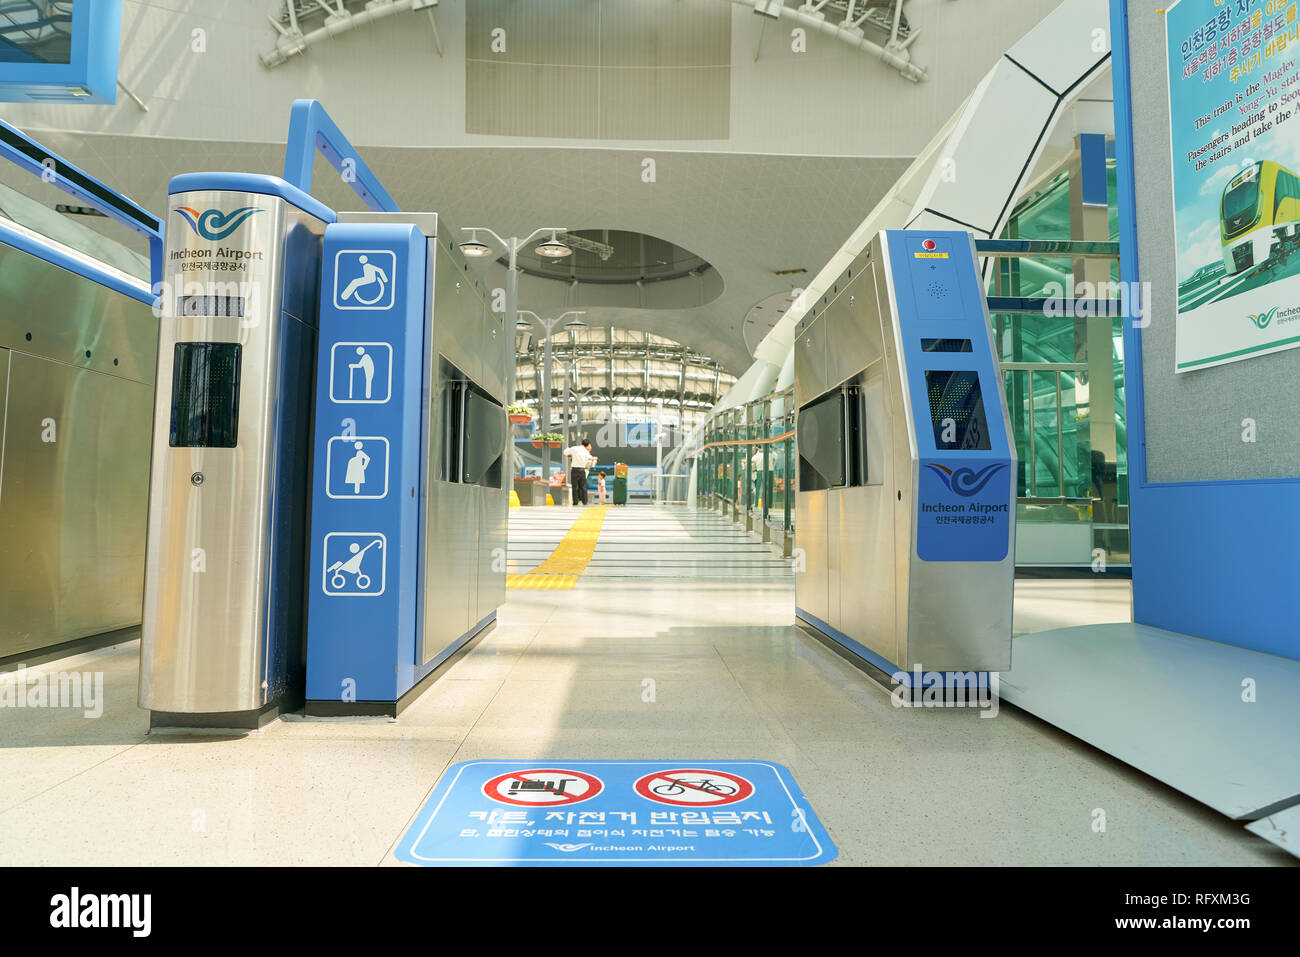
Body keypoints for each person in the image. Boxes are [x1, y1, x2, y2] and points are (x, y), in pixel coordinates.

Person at [563, 438, 595, 505]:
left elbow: (565, 452)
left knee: (575, 486)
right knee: (583, 486)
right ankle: (585, 502)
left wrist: (568, 449)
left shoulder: (574, 448)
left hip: (574, 469)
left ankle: (575, 502)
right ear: (587, 445)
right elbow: (589, 460)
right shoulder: (586, 451)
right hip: (582, 469)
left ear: (581, 443)